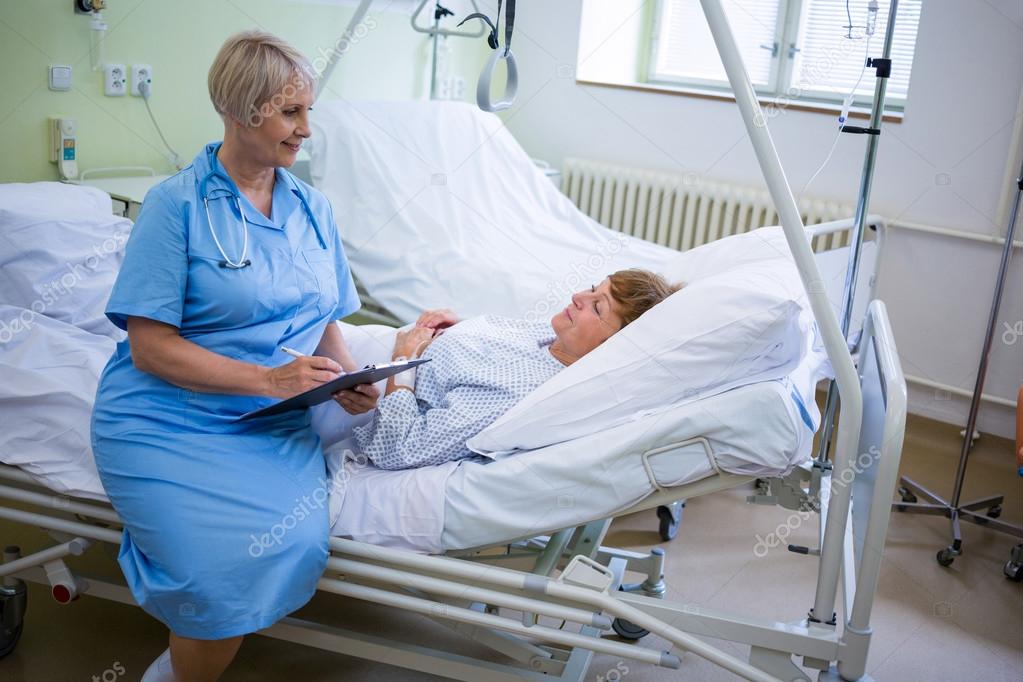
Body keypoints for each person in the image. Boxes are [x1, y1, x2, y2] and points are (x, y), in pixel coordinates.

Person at [90, 31, 379, 682]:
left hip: (268, 422)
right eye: (290, 112)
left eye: (308, 110)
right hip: (166, 417)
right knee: (213, 568)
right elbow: (149, 346)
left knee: (291, 541)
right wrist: (267, 377)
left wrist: (344, 380)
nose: (306, 129)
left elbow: (326, 316)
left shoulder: (311, 208)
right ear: (240, 112)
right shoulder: (176, 205)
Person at [351, 270, 681, 470]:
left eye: (597, 306)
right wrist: (462, 328)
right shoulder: (554, 338)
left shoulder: (520, 395)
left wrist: (402, 363)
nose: (578, 296)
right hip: (370, 349)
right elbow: (500, 349)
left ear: (613, 345)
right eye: (594, 288)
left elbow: (399, 448)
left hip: (353, 391)